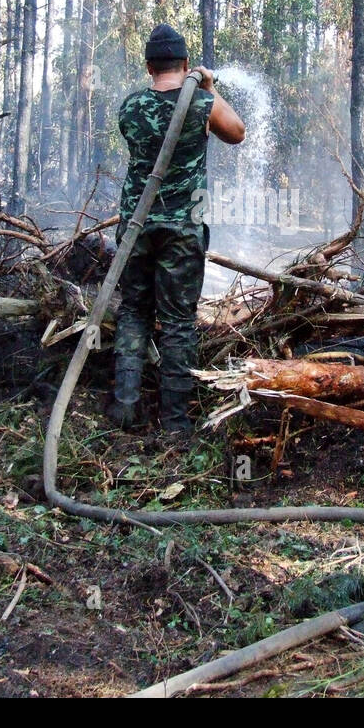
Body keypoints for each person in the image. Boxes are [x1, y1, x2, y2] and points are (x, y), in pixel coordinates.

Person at [106, 23, 246, 434]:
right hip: (182, 231)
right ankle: (176, 424)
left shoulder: (130, 107)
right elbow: (237, 132)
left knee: (133, 312)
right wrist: (209, 85)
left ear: (149, 66)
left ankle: (126, 409)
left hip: (136, 226)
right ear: (185, 63)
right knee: (179, 321)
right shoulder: (201, 105)